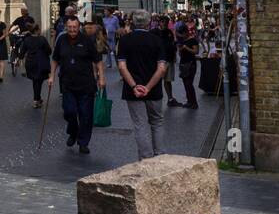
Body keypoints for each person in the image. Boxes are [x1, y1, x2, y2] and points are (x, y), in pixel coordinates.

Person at [49, 14, 105, 155]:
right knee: (69, 111)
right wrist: (51, 76)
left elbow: (98, 60)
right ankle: (73, 132)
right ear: (66, 27)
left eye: (75, 27)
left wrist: (101, 78)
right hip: (67, 84)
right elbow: (55, 59)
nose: (72, 30)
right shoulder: (61, 39)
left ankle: (83, 142)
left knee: (86, 115)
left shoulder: (86, 41)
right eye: (70, 27)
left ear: (79, 27)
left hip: (86, 84)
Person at [117, 10, 168, 159]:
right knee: (157, 122)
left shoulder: (125, 40)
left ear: (132, 22)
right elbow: (162, 68)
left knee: (140, 124)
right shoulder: (156, 40)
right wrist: (148, 87)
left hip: (133, 91)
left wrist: (135, 86)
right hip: (154, 90)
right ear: (148, 23)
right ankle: (159, 155)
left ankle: (146, 158)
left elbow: (121, 67)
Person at [22, 24, 51, 108]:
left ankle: (38, 98)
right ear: (37, 30)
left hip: (30, 63)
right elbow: (49, 51)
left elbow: (22, 53)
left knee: (35, 81)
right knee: (38, 81)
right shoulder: (42, 39)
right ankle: (36, 99)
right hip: (40, 63)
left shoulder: (27, 40)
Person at [176, 19, 199, 109]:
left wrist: (186, 48)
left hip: (191, 63)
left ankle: (194, 102)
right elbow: (180, 54)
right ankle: (189, 101)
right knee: (185, 84)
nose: (181, 35)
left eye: (182, 33)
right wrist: (180, 50)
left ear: (186, 32)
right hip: (183, 63)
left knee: (189, 83)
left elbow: (196, 51)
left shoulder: (192, 40)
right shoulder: (182, 41)